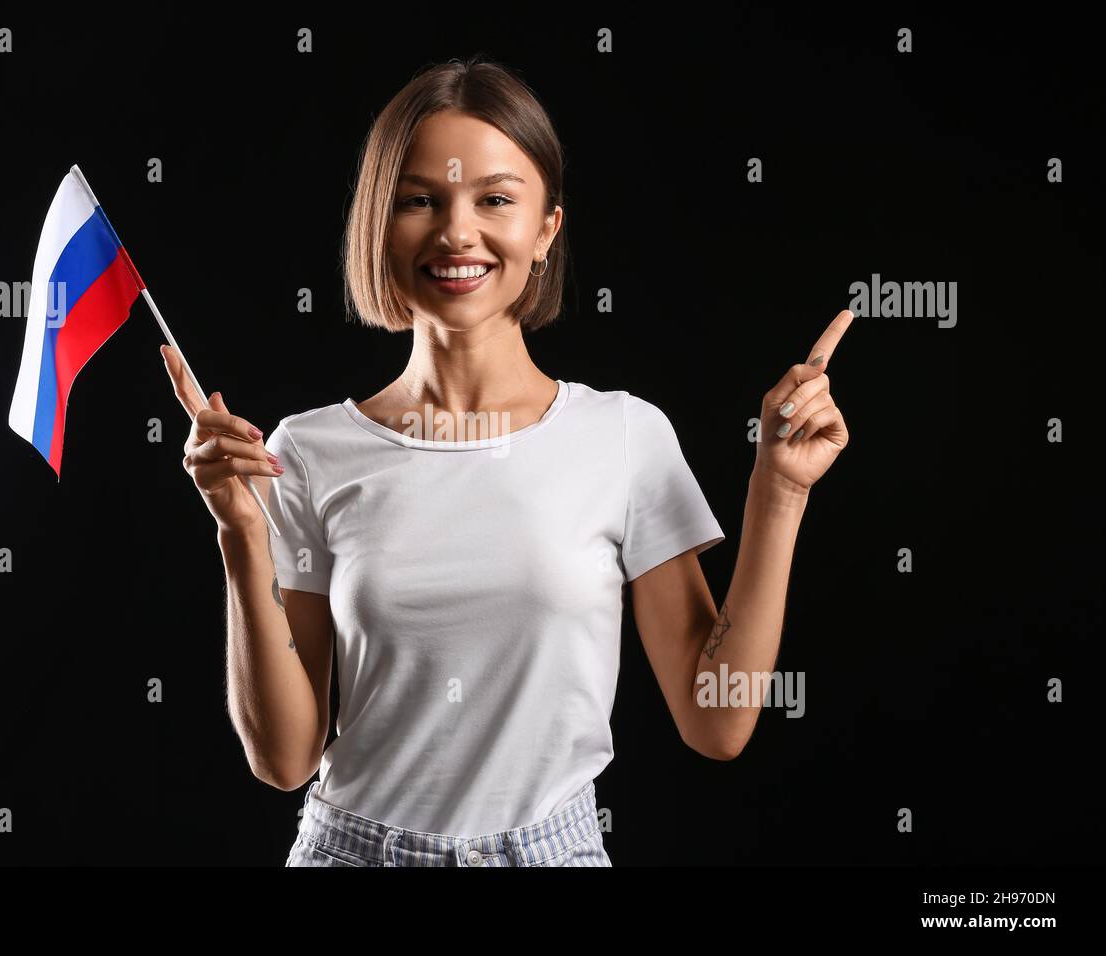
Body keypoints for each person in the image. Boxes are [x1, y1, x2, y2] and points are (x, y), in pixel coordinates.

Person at [160, 58, 851, 867]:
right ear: (380, 223)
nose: (457, 231)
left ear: (546, 230)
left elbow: (717, 721)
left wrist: (781, 490)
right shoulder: (305, 453)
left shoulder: (624, 436)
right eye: (421, 200)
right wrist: (240, 534)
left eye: (494, 199)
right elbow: (283, 761)